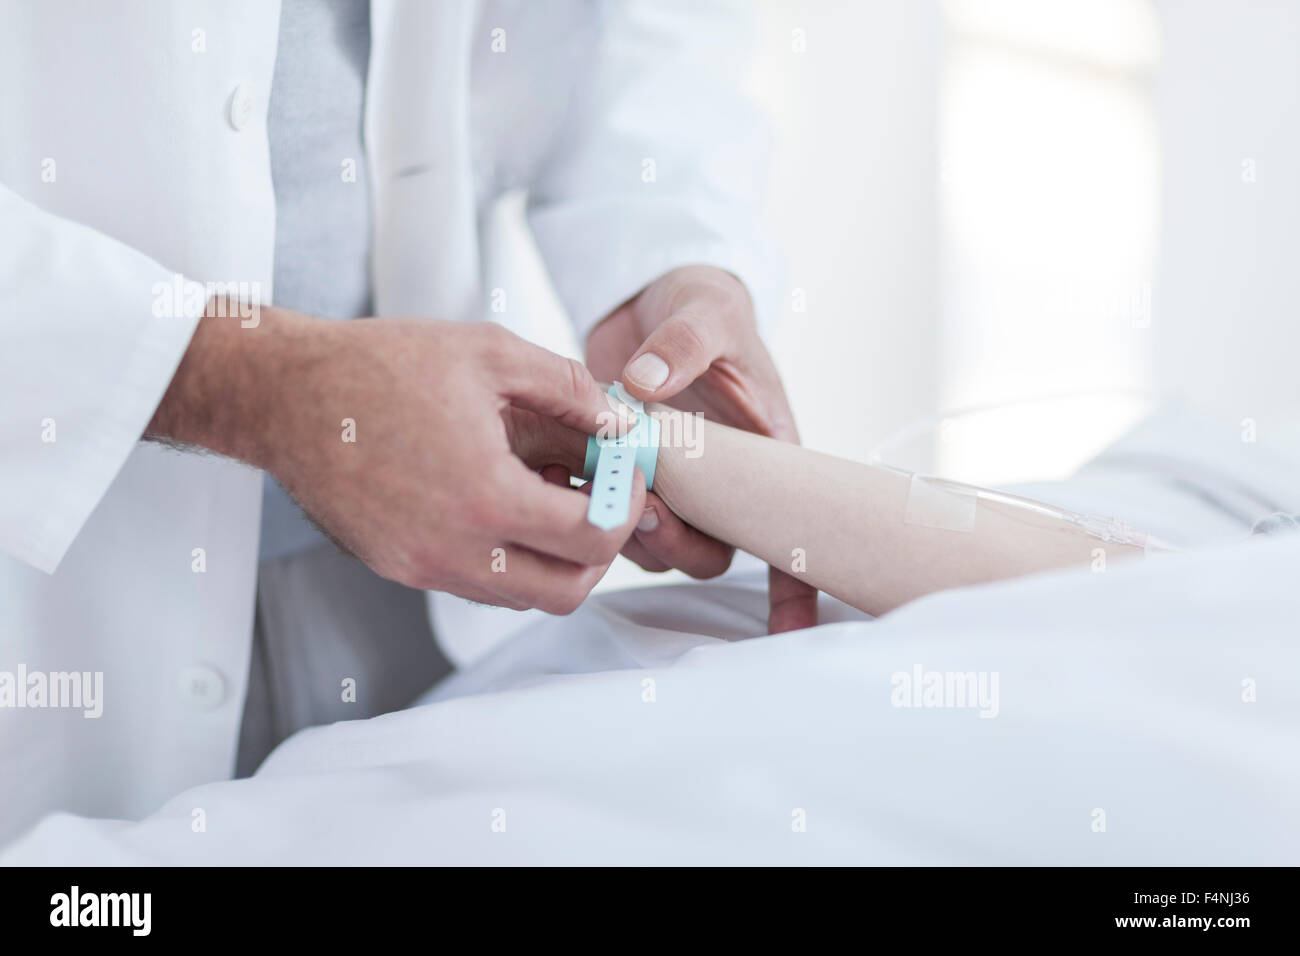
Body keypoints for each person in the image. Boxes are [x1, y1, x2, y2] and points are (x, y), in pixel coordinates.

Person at [0, 0, 808, 844]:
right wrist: (253, 386)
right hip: (49, 589)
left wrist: (663, 259)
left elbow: (641, 32)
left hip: (422, 581)